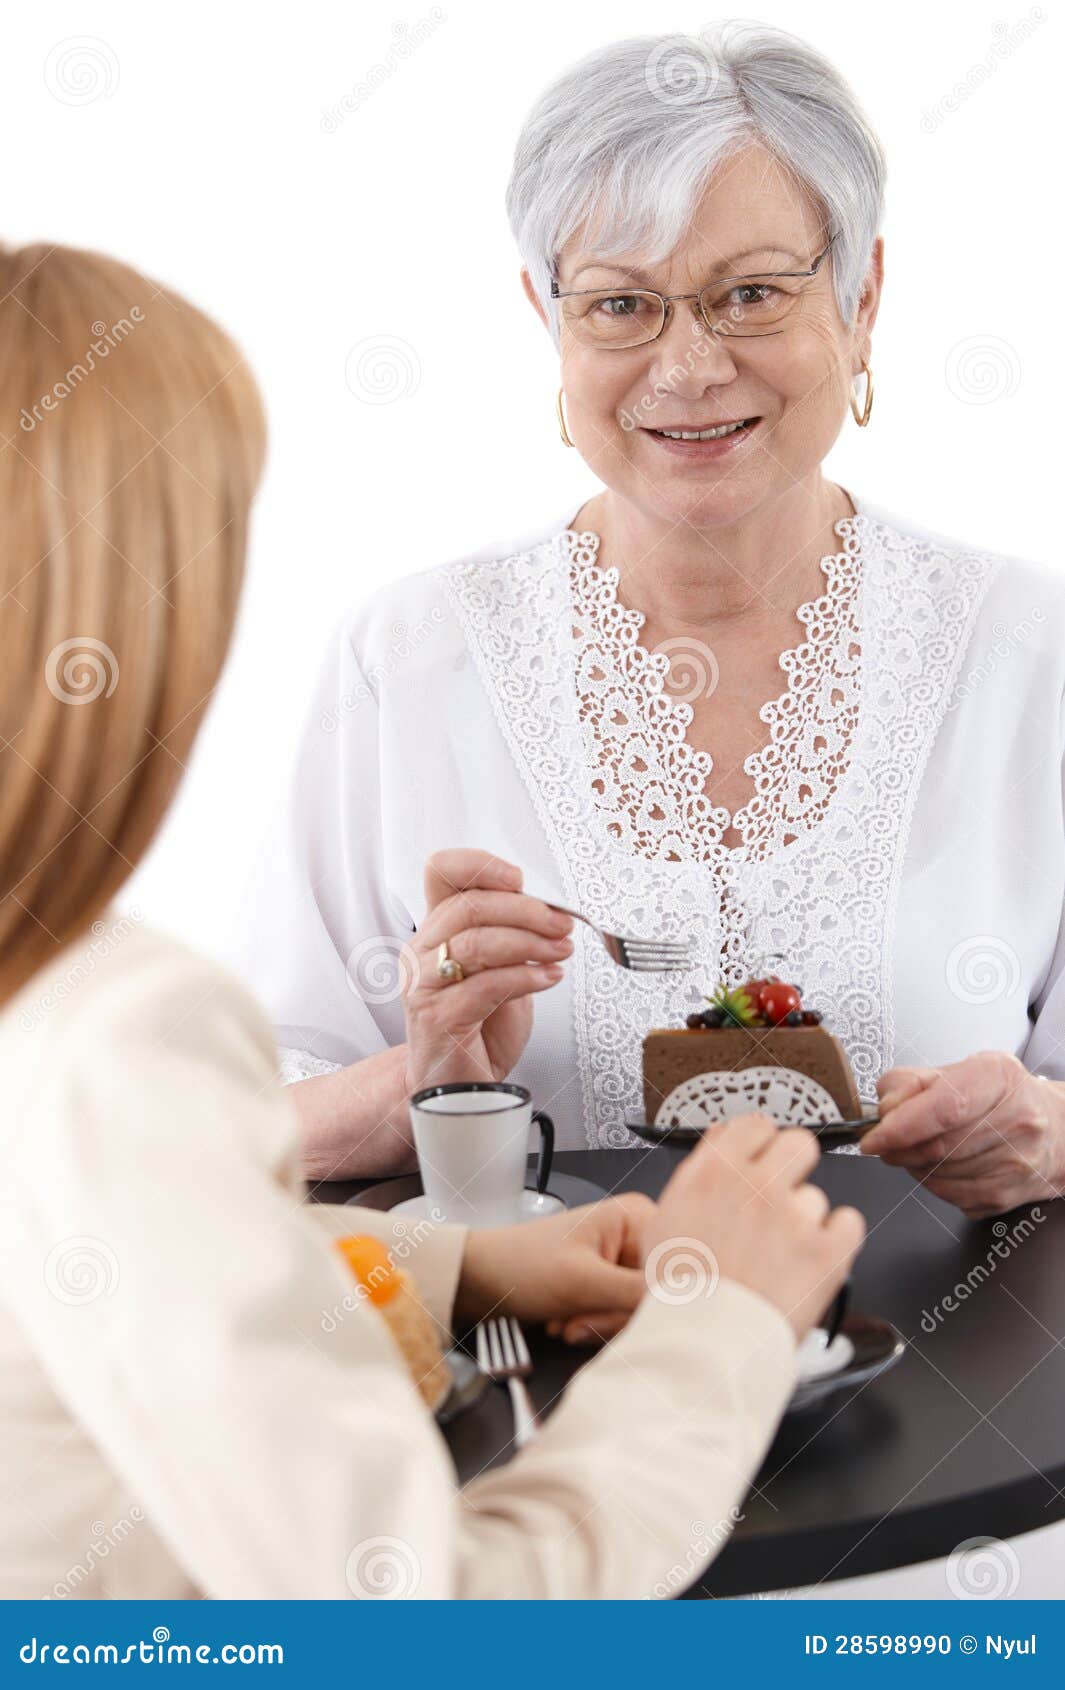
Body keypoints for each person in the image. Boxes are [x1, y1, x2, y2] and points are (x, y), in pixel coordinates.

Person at [0, 239, 863, 1600]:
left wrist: (463, 1261)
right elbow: (422, 1619)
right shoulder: (123, 1024)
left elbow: (118, 1260)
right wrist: (724, 1321)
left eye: (753, 289)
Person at [232, 24, 1065, 1219]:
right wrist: (428, 1082)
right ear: (546, 317)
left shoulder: (1032, 654)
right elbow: (231, 1133)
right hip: (538, 1394)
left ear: (863, 295)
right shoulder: (405, 661)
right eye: (621, 303)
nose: (686, 367)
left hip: (958, 1380)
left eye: (752, 295)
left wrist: (1048, 1134)